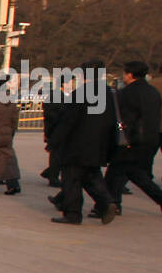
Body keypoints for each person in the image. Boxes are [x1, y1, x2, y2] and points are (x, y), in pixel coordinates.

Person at [48, 62, 117, 225]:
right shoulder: (110, 94)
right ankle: (107, 202)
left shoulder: (81, 93)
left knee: (72, 179)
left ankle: (73, 214)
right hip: (99, 144)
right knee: (91, 175)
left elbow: (68, 121)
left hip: (76, 145)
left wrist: (54, 140)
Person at [106, 60, 162, 217]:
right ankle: (160, 197)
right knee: (133, 171)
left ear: (129, 74)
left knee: (116, 172)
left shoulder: (126, 93)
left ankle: (112, 204)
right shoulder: (153, 92)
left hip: (131, 139)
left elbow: (122, 118)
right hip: (151, 138)